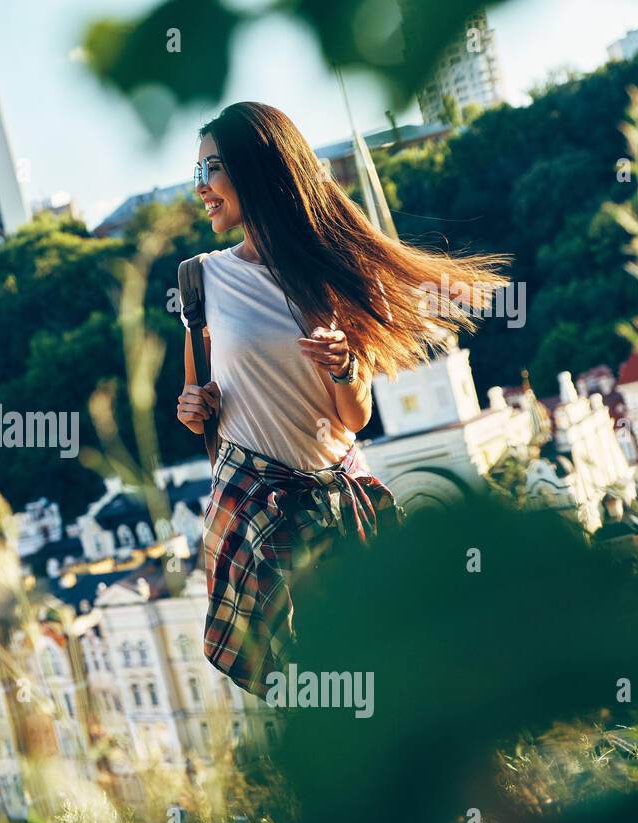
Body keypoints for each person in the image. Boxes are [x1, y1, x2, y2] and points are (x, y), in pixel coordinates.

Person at [177, 103, 507, 695]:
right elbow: (199, 400)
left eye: (214, 169)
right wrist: (193, 407)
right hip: (256, 505)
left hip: (333, 501)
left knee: (384, 674)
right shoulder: (200, 278)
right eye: (197, 172)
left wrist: (346, 364)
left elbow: (354, 417)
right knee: (314, 691)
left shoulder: (334, 272)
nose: (202, 187)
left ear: (258, 170)